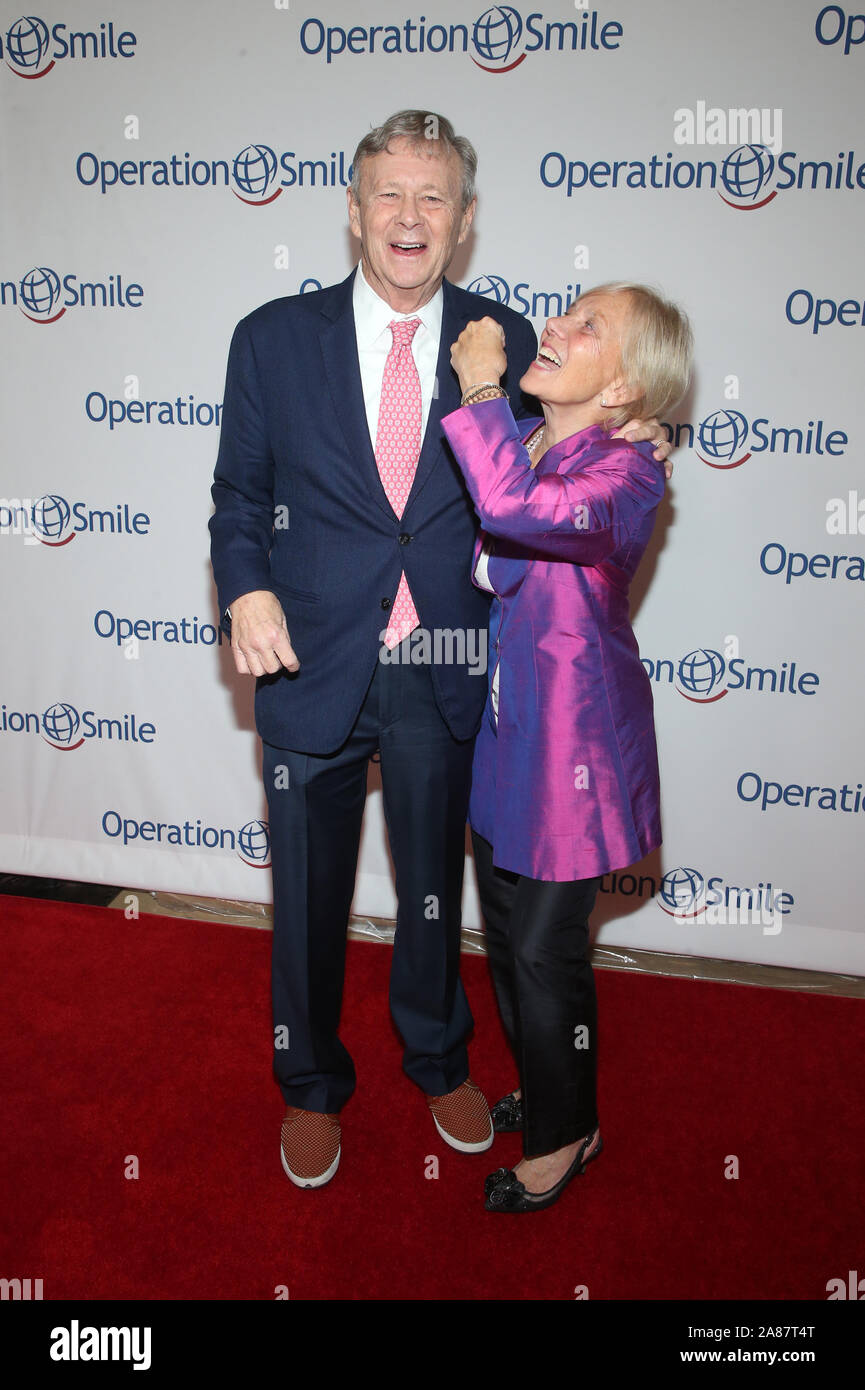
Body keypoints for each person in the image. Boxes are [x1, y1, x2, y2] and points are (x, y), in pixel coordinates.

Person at [209, 109, 672, 1190]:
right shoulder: (270, 339)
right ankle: (311, 1084)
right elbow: (239, 496)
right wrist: (246, 585)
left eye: (433, 198)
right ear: (352, 210)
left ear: (463, 222)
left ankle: (436, 1056)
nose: (407, 217)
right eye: (388, 193)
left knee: (434, 889)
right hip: (311, 658)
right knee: (308, 899)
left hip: (452, 666)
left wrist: (643, 423)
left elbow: (568, 454)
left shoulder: (514, 342)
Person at [442, 284, 692, 1212]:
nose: (555, 327)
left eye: (588, 328)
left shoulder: (630, 473)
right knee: (507, 939)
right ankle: (553, 1091)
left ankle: (567, 1135)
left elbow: (511, 508)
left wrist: (476, 392)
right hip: (512, 730)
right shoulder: (540, 435)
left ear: (623, 384)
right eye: (567, 312)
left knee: (547, 952)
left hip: (575, 751)